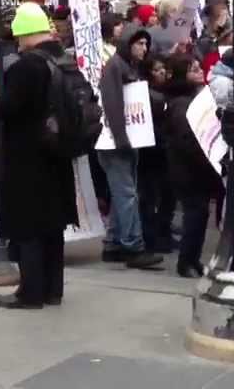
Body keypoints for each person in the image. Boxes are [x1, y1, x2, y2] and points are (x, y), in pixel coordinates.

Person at [0, 3, 77, 308]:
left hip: (29, 157)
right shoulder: (63, 60)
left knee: (28, 227)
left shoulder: (27, 67)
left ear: (25, 34)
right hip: (57, 153)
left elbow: (9, 107)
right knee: (52, 228)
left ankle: (31, 293)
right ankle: (53, 289)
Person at [96, 24, 163, 269]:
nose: (144, 48)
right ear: (128, 44)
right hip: (117, 142)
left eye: (146, 44)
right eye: (139, 43)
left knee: (122, 193)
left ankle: (114, 243)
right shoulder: (116, 66)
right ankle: (133, 246)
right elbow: (112, 103)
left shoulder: (127, 66)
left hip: (124, 139)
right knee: (127, 194)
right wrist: (121, 138)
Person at [163, 53, 222, 278]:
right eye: (193, 69)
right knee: (195, 214)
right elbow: (187, 140)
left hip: (195, 168)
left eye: (199, 67)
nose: (199, 72)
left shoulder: (194, 98)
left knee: (200, 214)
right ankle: (186, 261)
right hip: (188, 169)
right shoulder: (181, 104)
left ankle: (192, 259)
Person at [139, 54, 175, 254]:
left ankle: (162, 233)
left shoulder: (164, 93)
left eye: (163, 68)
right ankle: (154, 236)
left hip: (160, 150)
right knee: (152, 196)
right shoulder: (151, 96)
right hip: (153, 152)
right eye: (156, 69)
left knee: (165, 195)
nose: (161, 72)